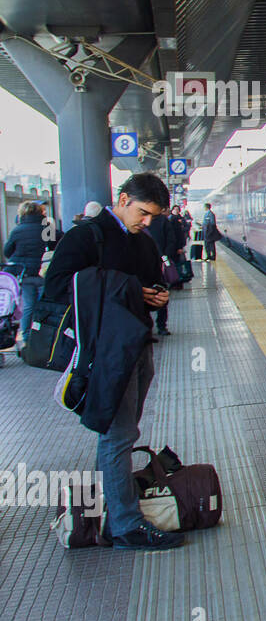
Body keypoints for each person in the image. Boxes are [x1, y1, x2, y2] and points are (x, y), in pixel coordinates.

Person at [43, 174, 181, 551]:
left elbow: (153, 280)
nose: (148, 222)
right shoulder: (87, 236)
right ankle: (125, 525)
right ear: (122, 199)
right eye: (143, 213)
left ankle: (121, 511)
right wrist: (131, 289)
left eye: (154, 216)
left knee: (122, 432)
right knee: (119, 434)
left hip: (137, 346)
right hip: (106, 354)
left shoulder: (142, 240)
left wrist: (157, 296)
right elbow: (56, 286)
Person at [2, 200, 60, 350]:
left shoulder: (18, 230)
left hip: (25, 274)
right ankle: (44, 337)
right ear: (40, 212)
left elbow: (8, 252)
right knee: (44, 306)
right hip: (43, 272)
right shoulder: (46, 227)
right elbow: (58, 244)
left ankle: (27, 338)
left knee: (28, 306)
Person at [144, 205, 181, 338]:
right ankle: (148, 329)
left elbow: (171, 240)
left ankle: (161, 326)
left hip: (160, 265)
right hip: (145, 265)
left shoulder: (162, 221)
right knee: (145, 298)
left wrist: (165, 256)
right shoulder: (139, 220)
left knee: (161, 295)